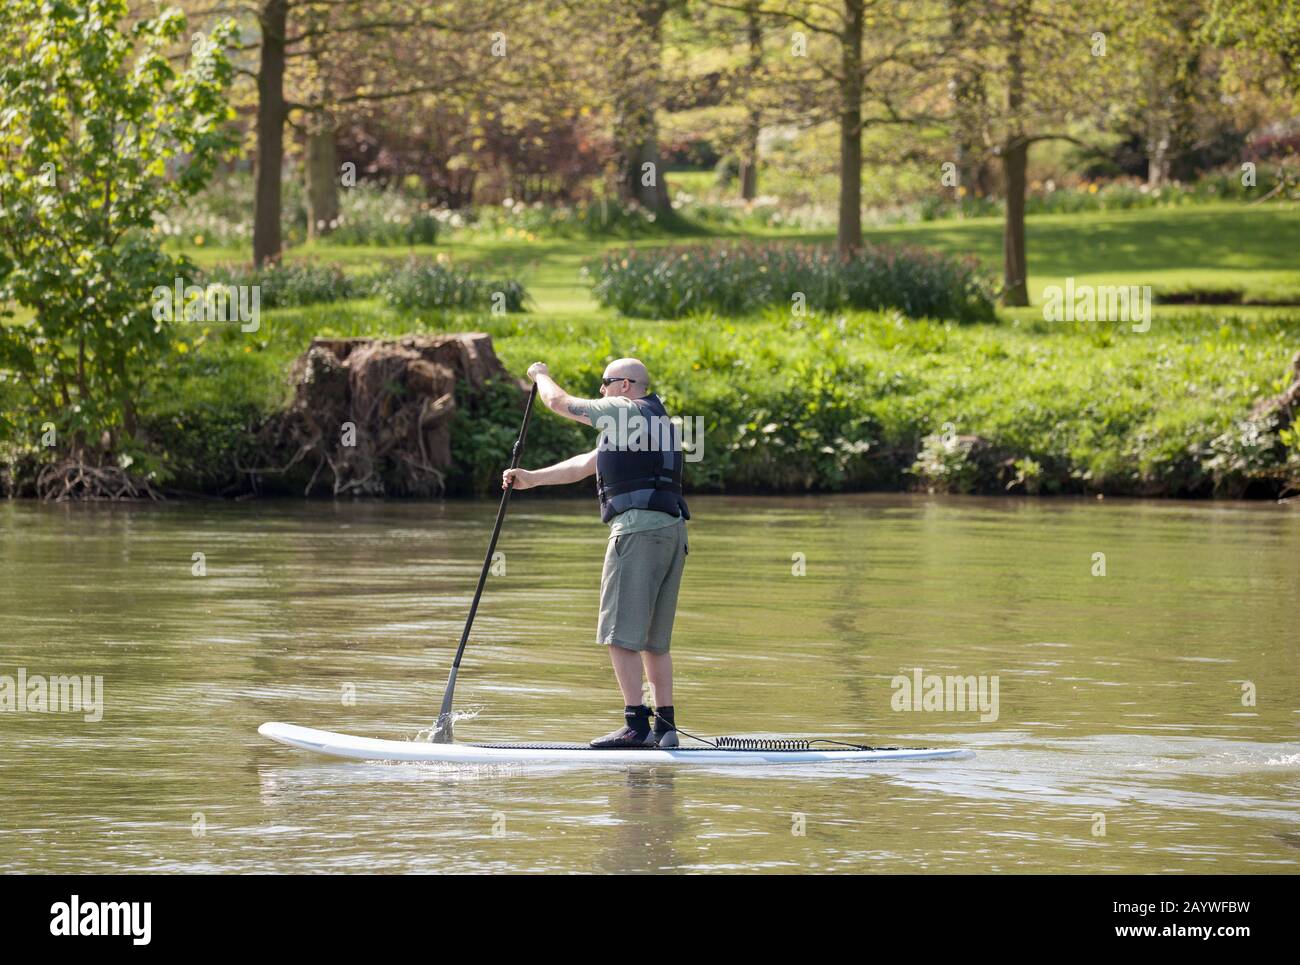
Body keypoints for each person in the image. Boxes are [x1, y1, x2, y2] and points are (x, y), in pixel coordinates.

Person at [502, 358, 690, 748]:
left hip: (636, 533)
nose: (600, 391)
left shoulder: (622, 409)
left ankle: (636, 726)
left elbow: (558, 403)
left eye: (604, 383)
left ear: (624, 385)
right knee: (655, 641)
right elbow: (589, 464)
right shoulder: (657, 419)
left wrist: (539, 376)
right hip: (672, 532)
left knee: (619, 634)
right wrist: (533, 479)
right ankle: (665, 728)